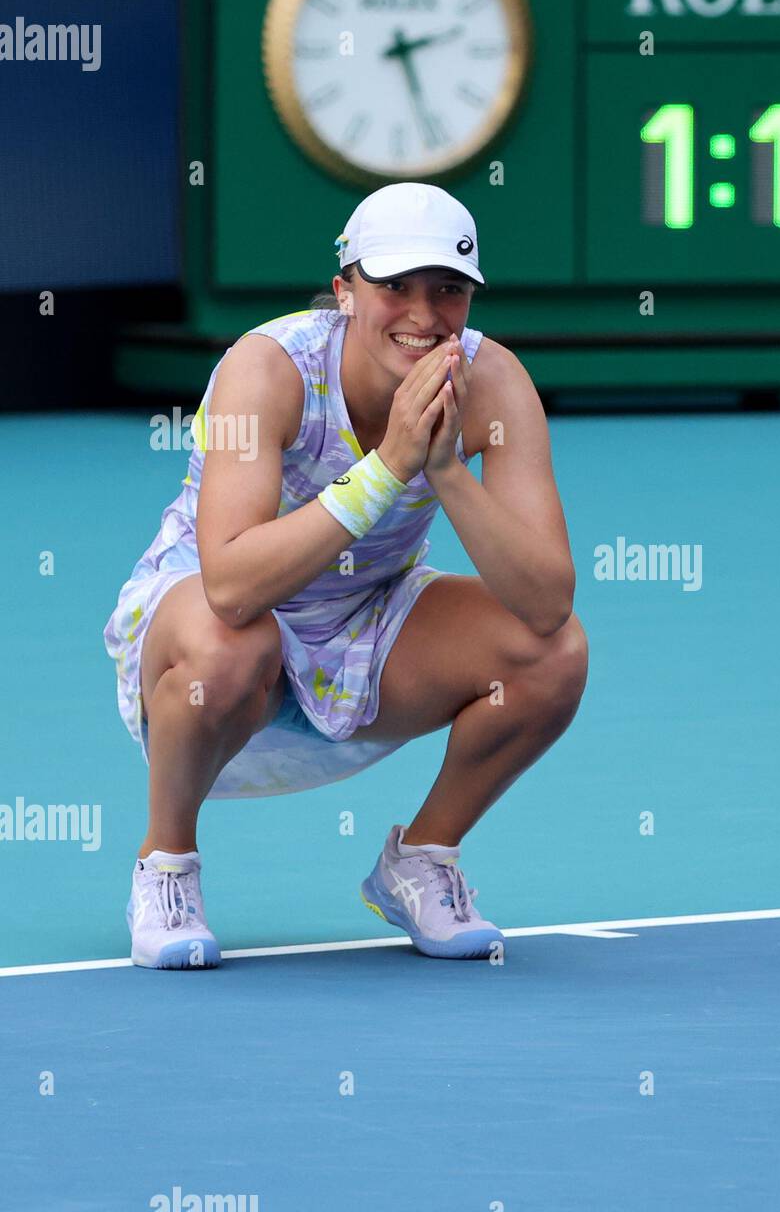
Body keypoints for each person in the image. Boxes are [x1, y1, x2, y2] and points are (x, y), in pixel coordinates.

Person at [104, 183, 587, 970]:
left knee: (554, 654)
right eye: (394, 286)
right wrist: (388, 469)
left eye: (448, 291)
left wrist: (446, 473)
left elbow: (545, 601)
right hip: (209, 627)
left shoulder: (493, 383)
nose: (423, 315)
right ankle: (166, 866)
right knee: (234, 642)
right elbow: (228, 585)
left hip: (369, 620)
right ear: (344, 291)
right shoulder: (267, 370)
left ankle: (421, 861)